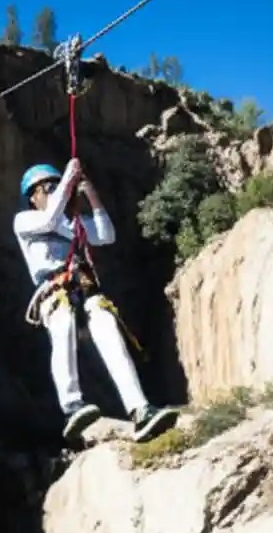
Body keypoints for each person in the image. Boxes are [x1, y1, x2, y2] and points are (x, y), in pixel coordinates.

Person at [14, 157, 179, 442]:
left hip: (84, 286)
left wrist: (92, 196)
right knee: (63, 327)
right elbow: (49, 220)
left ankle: (140, 408)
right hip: (54, 288)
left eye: (56, 186)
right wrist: (67, 177)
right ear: (34, 196)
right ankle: (72, 404)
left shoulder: (72, 222)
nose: (55, 191)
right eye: (48, 188)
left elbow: (105, 235)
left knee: (110, 335)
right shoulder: (26, 220)